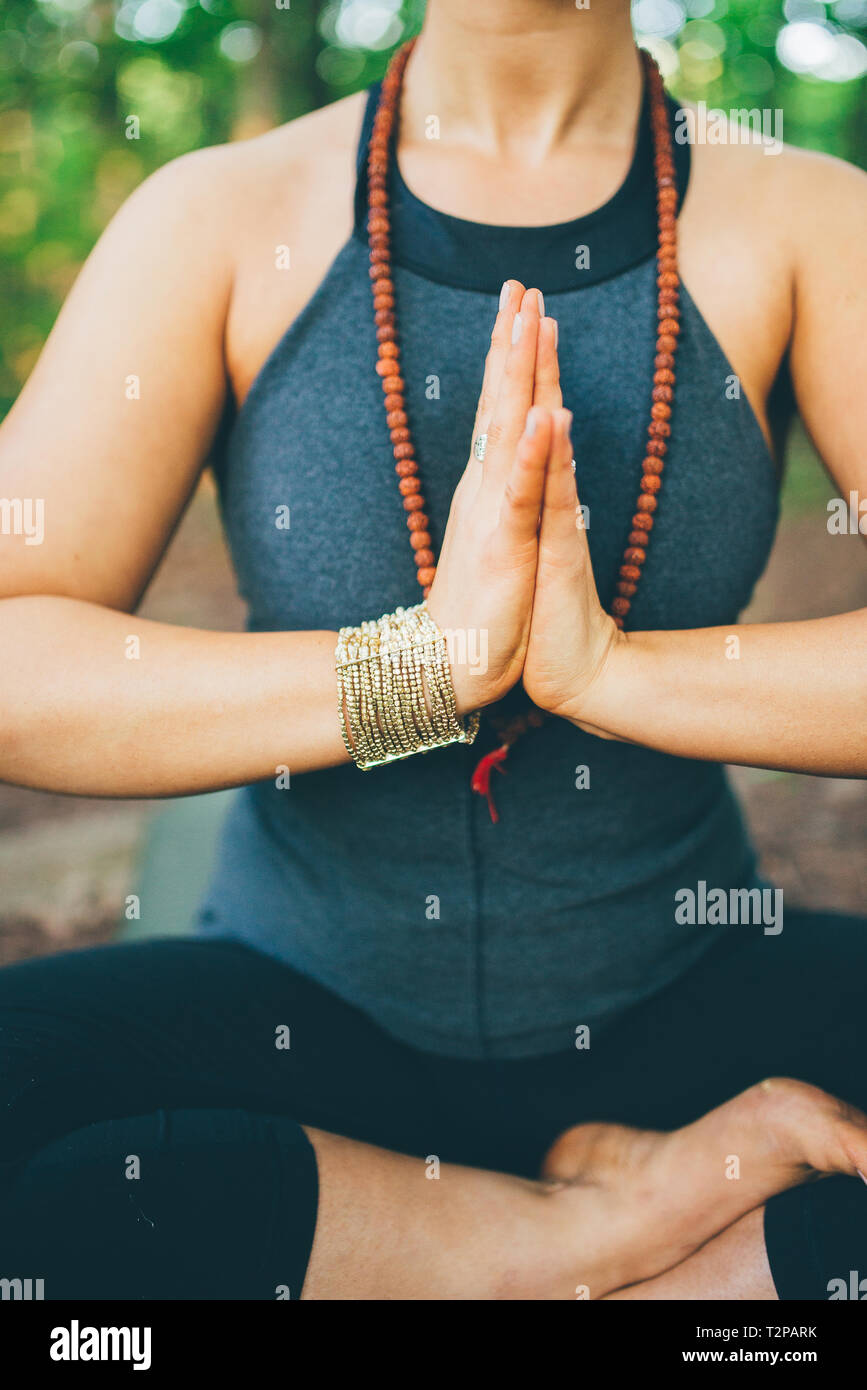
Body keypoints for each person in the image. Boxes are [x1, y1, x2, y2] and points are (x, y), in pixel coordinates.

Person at [0, 0, 865, 1300]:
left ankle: (719, 1288)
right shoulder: (217, 214)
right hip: (301, 1025)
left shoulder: (807, 216)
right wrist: (421, 666)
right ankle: (569, 1241)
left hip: (689, 998)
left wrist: (611, 676)